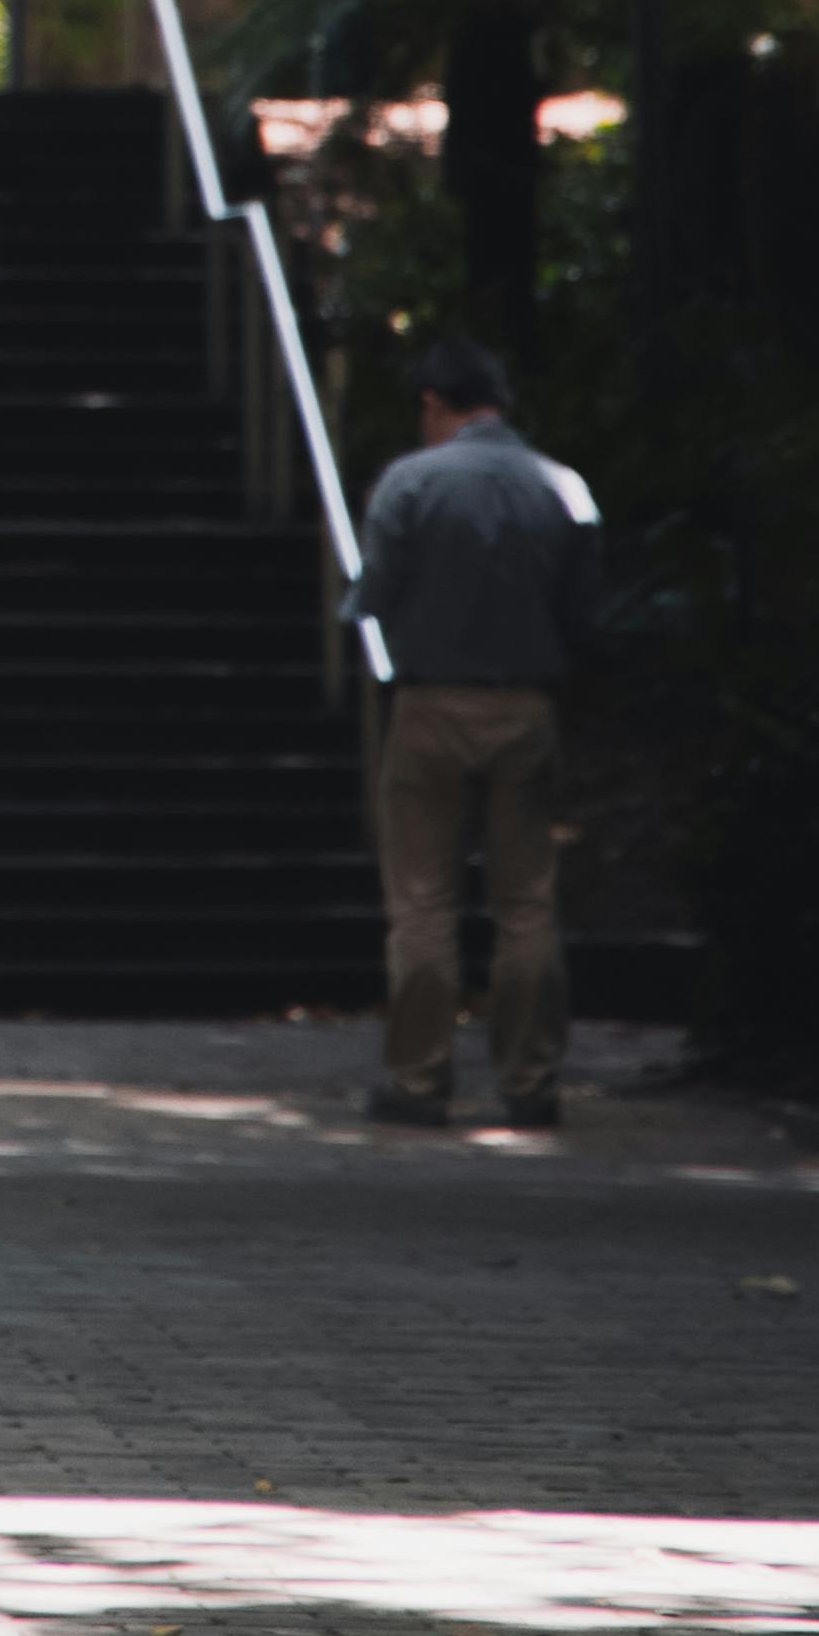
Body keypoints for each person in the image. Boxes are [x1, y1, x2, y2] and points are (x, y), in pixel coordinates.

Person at [346, 331, 606, 1132]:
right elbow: (586, 611)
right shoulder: (563, 487)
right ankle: (530, 1081)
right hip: (526, 706)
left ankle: (419, 1080)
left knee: (423, 901)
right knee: (527, 901)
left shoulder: (410, 483)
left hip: (429, 705)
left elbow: (373, 595)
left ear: (432, 403)